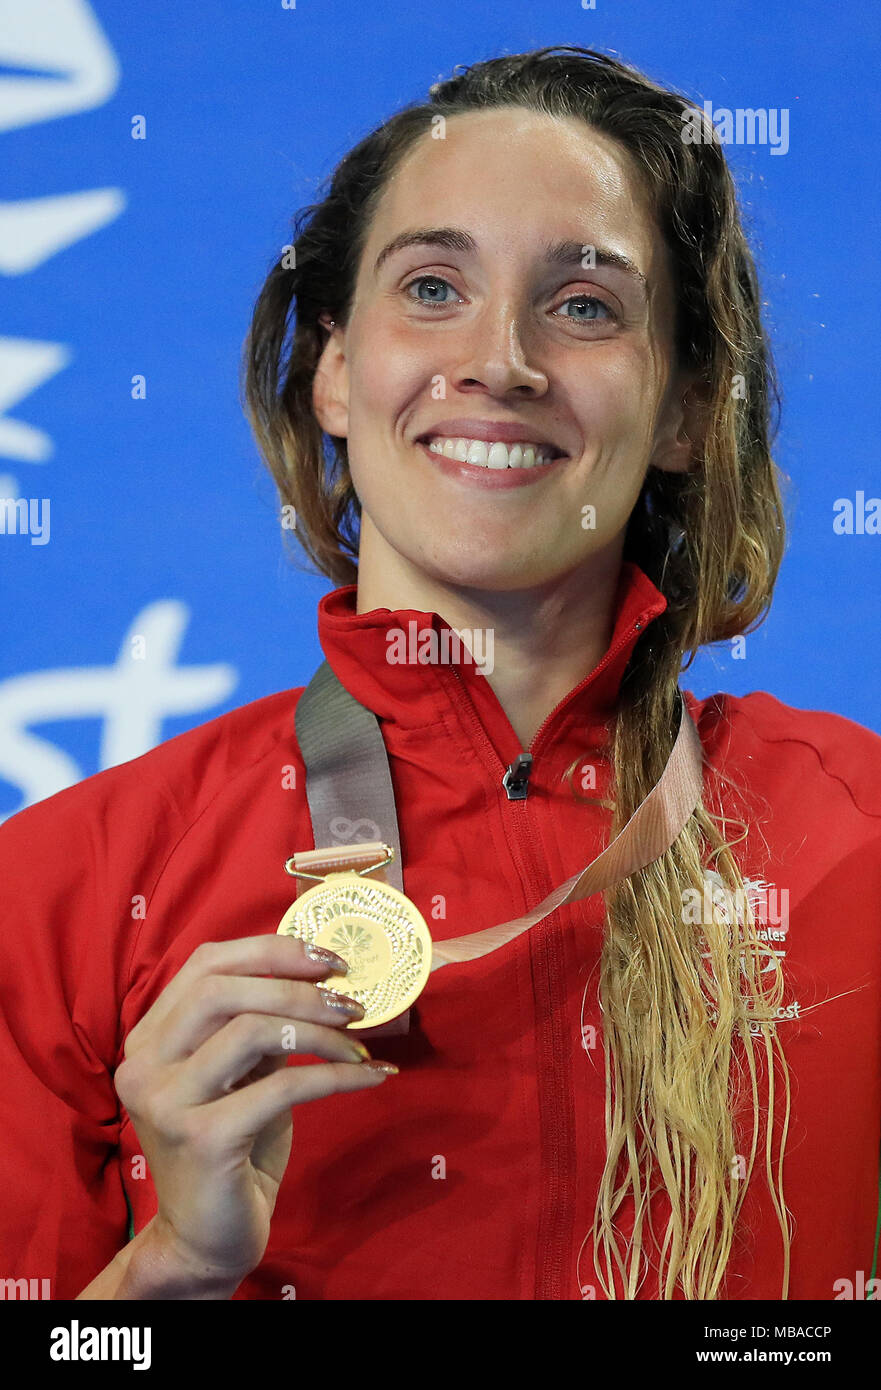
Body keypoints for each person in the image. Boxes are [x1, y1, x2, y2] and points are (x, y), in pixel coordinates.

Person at [1, 44, 880, 1303]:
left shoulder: (854, 835)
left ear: (687, 407)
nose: (498, 359)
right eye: (430, 287)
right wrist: (164, 1274)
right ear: (336, 372)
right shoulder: (61, 894)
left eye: (583, 305)